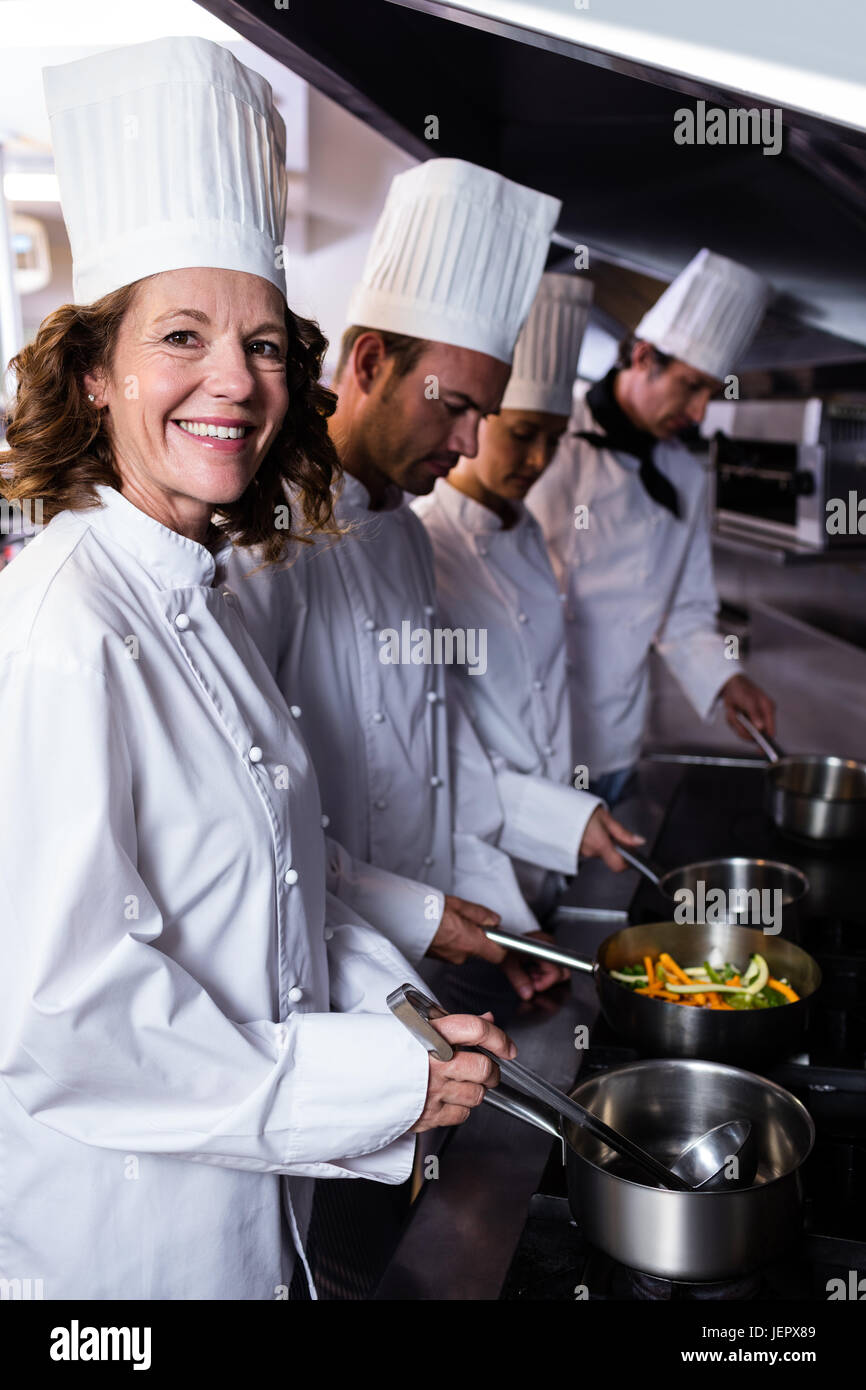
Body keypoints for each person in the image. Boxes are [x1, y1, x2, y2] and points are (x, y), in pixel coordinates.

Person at [0, 38, 513, 1302]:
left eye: (268, 343)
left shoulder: (204, 591)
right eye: (182, 337)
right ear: (92, 370)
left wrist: (404, 1023)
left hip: (248, 1205)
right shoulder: (64, 622)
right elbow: (62, 1021)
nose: (236, 379)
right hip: (123, 1257)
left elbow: (281, 884)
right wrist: (368, 1081)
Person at [228, 160, 637, 1003]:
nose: (468, 440)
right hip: (318, 965)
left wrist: (494, 914)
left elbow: (440, 760)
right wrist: (426, 915)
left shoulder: (408, 538)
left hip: (418, 959)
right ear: (370, 362)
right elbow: (246, 811)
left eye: (482, 414)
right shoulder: (260, 539)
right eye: (453, 406)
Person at [413, 274, 643, 916]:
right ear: (479, 418)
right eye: (521, 433)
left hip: (548, 848)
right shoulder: (427, 546)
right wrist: (565, 820)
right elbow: (446, 752)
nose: (540, 459)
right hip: (474, 864)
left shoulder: (526, 528)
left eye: (554, 435)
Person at [527, 249, 777, 804]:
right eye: (691, 387)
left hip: (612, 741)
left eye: (711, 394)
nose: (699, 414)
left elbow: (685, 613)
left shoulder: (684, 477)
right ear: (643, 356)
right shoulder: (540, 438)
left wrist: (725, 678)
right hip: (523, 739)